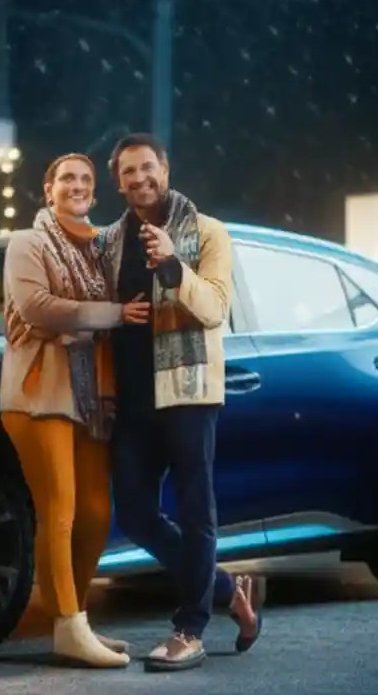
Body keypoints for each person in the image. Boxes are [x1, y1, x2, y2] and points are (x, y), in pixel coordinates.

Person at [95, 133, 262, 672]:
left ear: (165, 169)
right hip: (133, 397)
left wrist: (172, 264)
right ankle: (226, 590)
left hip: (188, 393)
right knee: (138, 515)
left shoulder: (209, 232)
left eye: (147, 167)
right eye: (127, 172)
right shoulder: (110, 243)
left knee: (196, 513)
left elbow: (213, 307)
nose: (139, 179)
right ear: (117, 181)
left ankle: (189, 628)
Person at [0, 152, 151, 668]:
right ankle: (67, 625)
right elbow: (36, 308)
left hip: (89, 392)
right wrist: (111, 315)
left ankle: (77, 618)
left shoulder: (100, 251)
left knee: (95, 510)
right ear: (48, 190)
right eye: (67, 178)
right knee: (59, 508)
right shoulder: (29, 243)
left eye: (86, 179)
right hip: (38, 391)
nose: (78, 185)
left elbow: (69, 317)